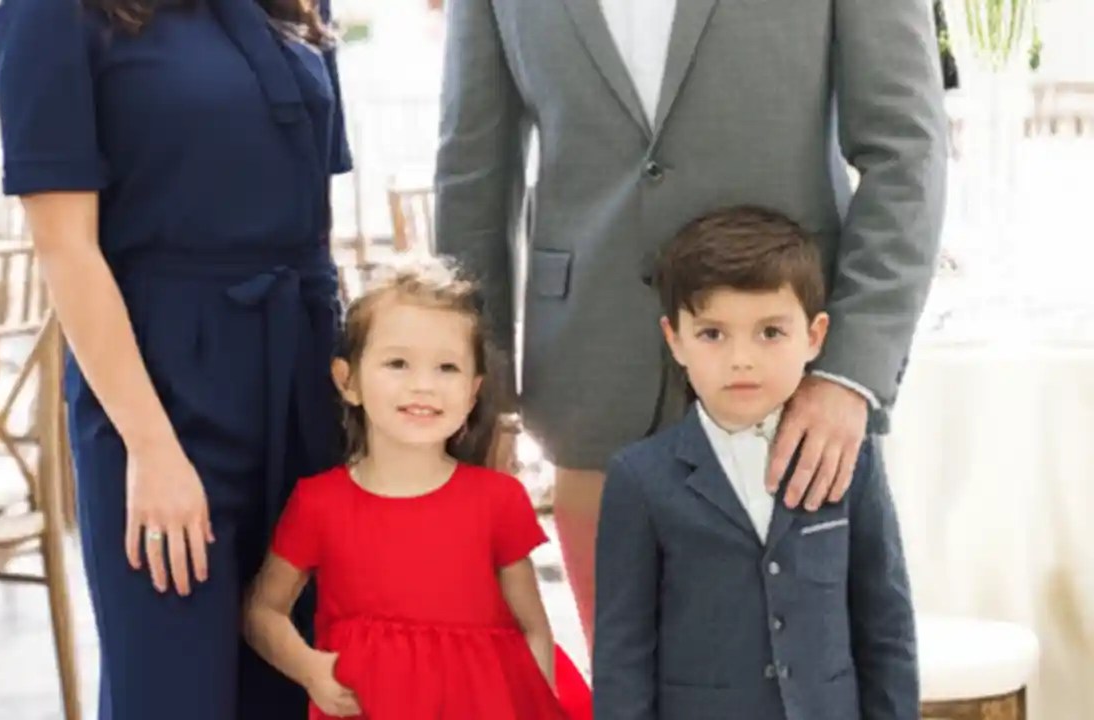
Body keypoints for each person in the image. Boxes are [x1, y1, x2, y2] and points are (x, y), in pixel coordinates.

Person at [434, 0, 947, 648]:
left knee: (803, 681)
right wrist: (481, 394)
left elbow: (907, 152)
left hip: (790, 387)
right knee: (626, 682)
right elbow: (473, 175)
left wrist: (850, 373)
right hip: (593, 371)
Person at [0, 0, 352, 716]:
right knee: (173, 687)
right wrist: (151, 449)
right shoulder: (52, 14)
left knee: (309, 678)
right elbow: (66, 249)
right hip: (162, 381)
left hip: (304, 369)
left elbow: (318, 216)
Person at [593, 206, 917, 720]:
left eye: (770, 332)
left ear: (814, 336)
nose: (741, 359)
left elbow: (886, 624)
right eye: (712, 334)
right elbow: (622, 654)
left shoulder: (850, 455)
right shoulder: (639, 478)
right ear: (674, 339)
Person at [242, 260, 591, 719]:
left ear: (473, 392)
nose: (423, 385)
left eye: (447, 367)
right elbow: (263, 611)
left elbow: (534, 630)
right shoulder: (318, 503)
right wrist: (309, 668)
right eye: (398, 363)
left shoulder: (497, 500)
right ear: (348, 381)